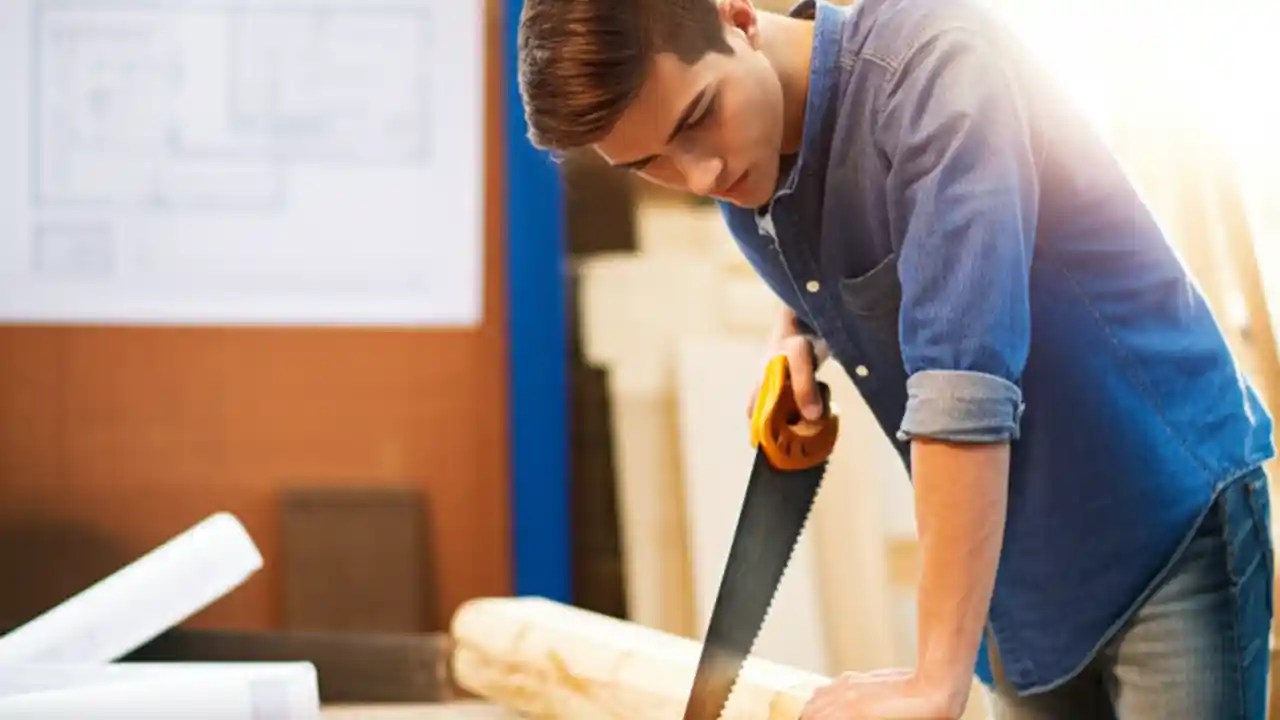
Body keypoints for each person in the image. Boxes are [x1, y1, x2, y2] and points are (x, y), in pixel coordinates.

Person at [515, 0, 1276, 717]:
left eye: (696, 119)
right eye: (649, 161)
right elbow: (859, 247)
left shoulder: (936, 71)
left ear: (738, 18)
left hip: (1159, 512)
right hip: (1022, 564)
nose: (699, 176)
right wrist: (798, 336)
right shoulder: (743, 145)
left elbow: (962, 384)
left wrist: (933, 679)